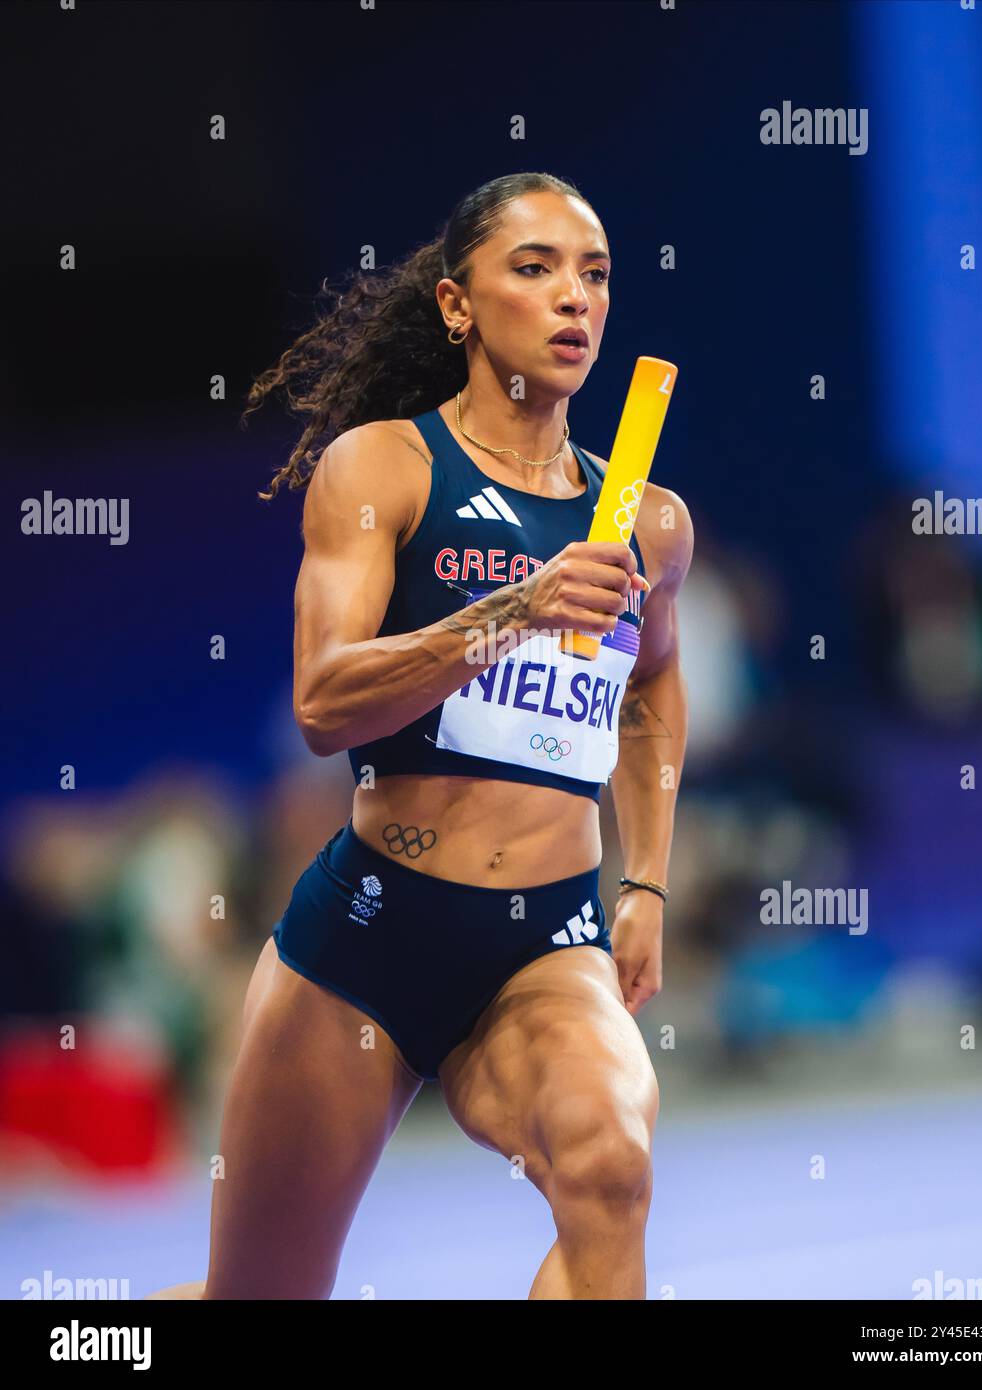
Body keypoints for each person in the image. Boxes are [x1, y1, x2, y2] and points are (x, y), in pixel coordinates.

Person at [148, 171, 693, 1301]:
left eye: (591, 276)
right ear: (456, 304)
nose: (572, 301)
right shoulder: (384, 468)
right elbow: (322, 704)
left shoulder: (647, 519)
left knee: (609, 1165)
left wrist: (643, 882)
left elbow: (650, 690)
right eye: (533, 269)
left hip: (547, 945)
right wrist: (512, 609)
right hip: (366, 944)